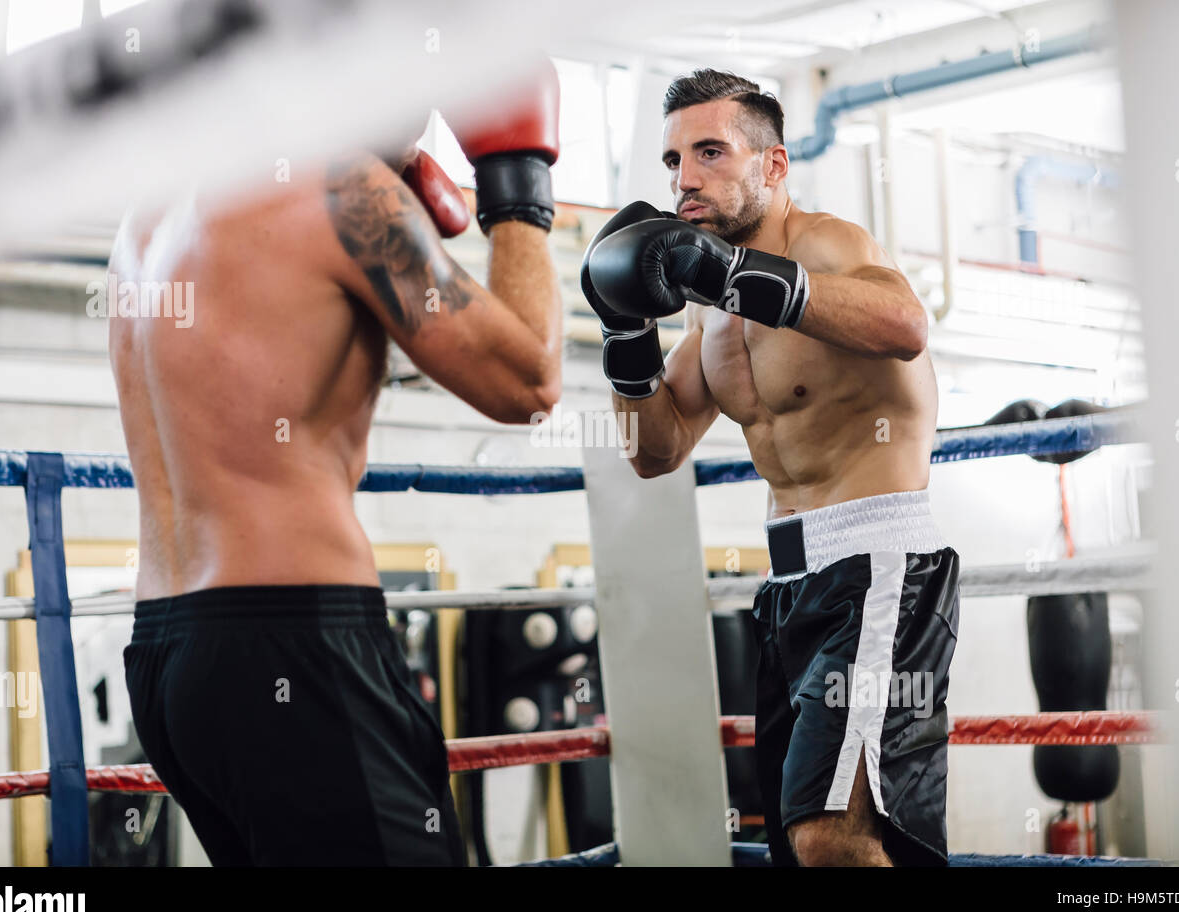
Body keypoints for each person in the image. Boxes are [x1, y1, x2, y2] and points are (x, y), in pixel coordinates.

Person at [108, 66, 563, 865]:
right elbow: (528, 380)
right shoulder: (338, 189)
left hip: (171, 660)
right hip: (297, 649)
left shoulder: (149, 214)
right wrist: (517, 187)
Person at [582, 69, 959, 867]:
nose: (685, 179)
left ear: (774, 166)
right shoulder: (711, 314)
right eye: (674, 160)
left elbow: (904, 322)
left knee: (834, 836)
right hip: (788, 592)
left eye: (711, 152)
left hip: (878, 565)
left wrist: (731, 276)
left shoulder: (824, 244)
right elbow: (656, 452)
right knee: (800, 844)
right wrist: (625, 337)